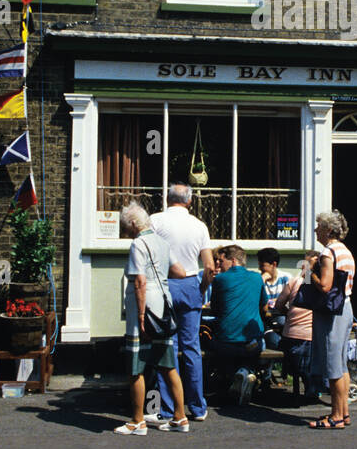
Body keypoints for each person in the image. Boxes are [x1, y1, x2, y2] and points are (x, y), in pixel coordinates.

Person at [114, 202, 189, 436]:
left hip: (145, 308)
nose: (126, 230)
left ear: (134, 224)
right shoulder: (162, 242)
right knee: (167, 365)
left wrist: (140, 316)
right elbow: (180, 272)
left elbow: (140, 281)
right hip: (164, 306)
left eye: (126, 226)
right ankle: (180, 417)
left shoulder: (138, 243)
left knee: (135, 367)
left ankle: (138, 421)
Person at [148, 183, 215, 423]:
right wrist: (201, 289)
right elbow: (209, 267)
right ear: (189, 201)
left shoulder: (155, 221)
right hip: (189, 285)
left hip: (162, 284)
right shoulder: (199, 226)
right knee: (191, 348)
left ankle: (168, 408)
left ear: (167, 199)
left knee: (167, 348)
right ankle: (197, 407)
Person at [307, 210, 356, 430]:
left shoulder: (328, 252)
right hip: (345, 308)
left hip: (330, 314)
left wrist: (310, 271)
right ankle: (343, 413)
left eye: (319, 226)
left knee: (333, 365)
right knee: (342, 364)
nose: (316, 230)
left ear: (328, 230)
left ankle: (336, 416)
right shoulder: (344, 251)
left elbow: (325, 286)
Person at [208, 245, 267, 404]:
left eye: (221, 261)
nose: (219, 265)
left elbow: (215, 308)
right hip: (252, 344)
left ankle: (235, 375)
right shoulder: (257, 278)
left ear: (233, 261)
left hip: (225, 344)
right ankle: (246, 370)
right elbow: (265, 307)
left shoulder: (219, 279)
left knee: (215, 341)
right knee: (261, 341)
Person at [273, 251, 323, 402]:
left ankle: (307, 385)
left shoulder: (295, 281)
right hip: (311, 337)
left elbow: (279, 305)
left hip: (292, 335)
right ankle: (312, 388)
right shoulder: (322, 286)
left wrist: (289, 314)